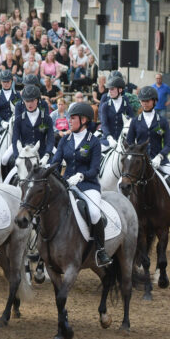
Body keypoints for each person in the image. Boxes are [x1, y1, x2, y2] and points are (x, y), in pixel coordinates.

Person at [47, 102, 111, 267]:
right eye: (69, 117)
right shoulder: (65, 140)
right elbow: (56, 162)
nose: (69, 121)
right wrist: (47, 170)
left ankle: (100, 250)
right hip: (67, 184)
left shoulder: (93, 142)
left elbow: (95, 169)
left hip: (88, 186)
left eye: (73, 118)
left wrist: (81, 176)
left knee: (95, 213)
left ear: (84, 120)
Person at [126, 86, 170, 228]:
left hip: (159, 161)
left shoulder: (162, 121)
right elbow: (130, 143)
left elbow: (168, 144)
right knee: (122, 184)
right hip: (140, 164)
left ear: (154, 101)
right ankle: (126, 213)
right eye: (142, 101)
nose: (144, 103)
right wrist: (137, 155)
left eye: (147, 101)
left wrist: (160, 157)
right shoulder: (135, 122)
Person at [3, 83, 55, 175]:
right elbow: (15, 140)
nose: (29, 104)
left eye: (32, 100)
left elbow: (50, 139)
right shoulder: (19, 120)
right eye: (27, 101)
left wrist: (47, 155)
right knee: (5, 165)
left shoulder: (46, 119)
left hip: (42, 155)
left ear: (38, 100)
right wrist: (17, 156)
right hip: (24, 157)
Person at [98, 75, 128, 148]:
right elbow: (104, 124)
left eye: (112, 89)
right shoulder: (105, 105)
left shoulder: (125, 103)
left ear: (120, 90)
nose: (109, 92)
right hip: (108, 139)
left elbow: (132, 119)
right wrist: (109, 137)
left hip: (123, 140)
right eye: (109, 89)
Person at [0, 70, 18, 135]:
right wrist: (2, 122)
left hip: (13, 124)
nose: (6, 84)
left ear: (11, 81)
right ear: (0, 82)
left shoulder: (17, 95)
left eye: (8, 81)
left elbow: (20, 110)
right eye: (4, 82)